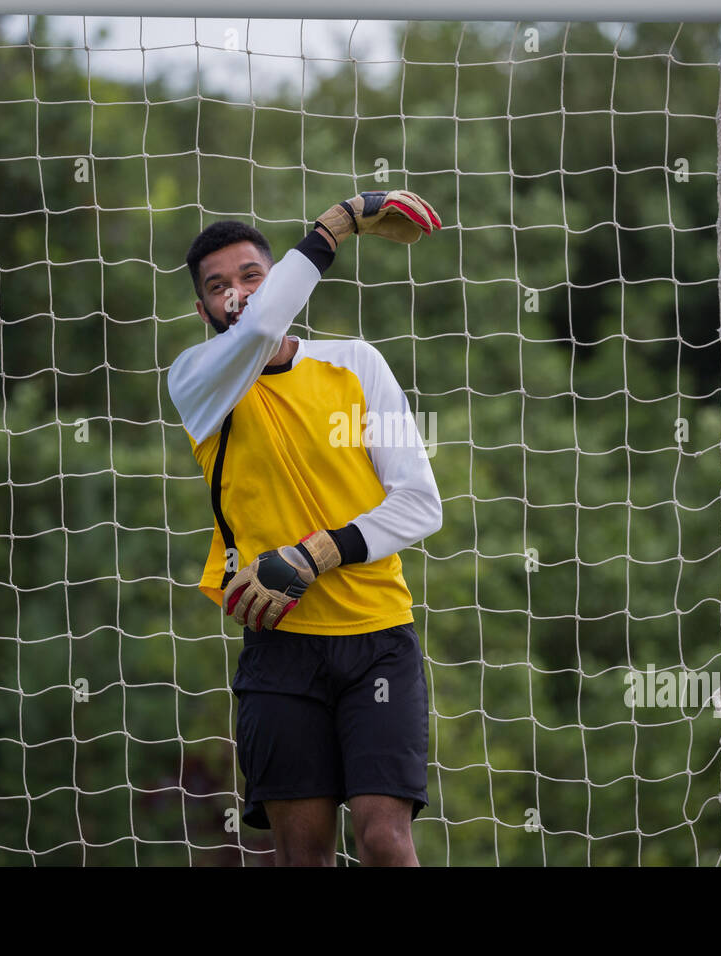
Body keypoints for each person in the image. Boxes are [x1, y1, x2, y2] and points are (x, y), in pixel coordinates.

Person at [166, 191, 445, 866]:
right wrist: (341, 221)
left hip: (377, 640)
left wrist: (314, 555)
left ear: (280, 282)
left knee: (383, 836)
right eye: (217, 286)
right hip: (280, 649)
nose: (236, 293)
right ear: (203, 310)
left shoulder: (356, 363)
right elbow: (259, 331)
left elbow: (419, 504)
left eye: (251, 276)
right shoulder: (197, 380)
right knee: (303, 853)